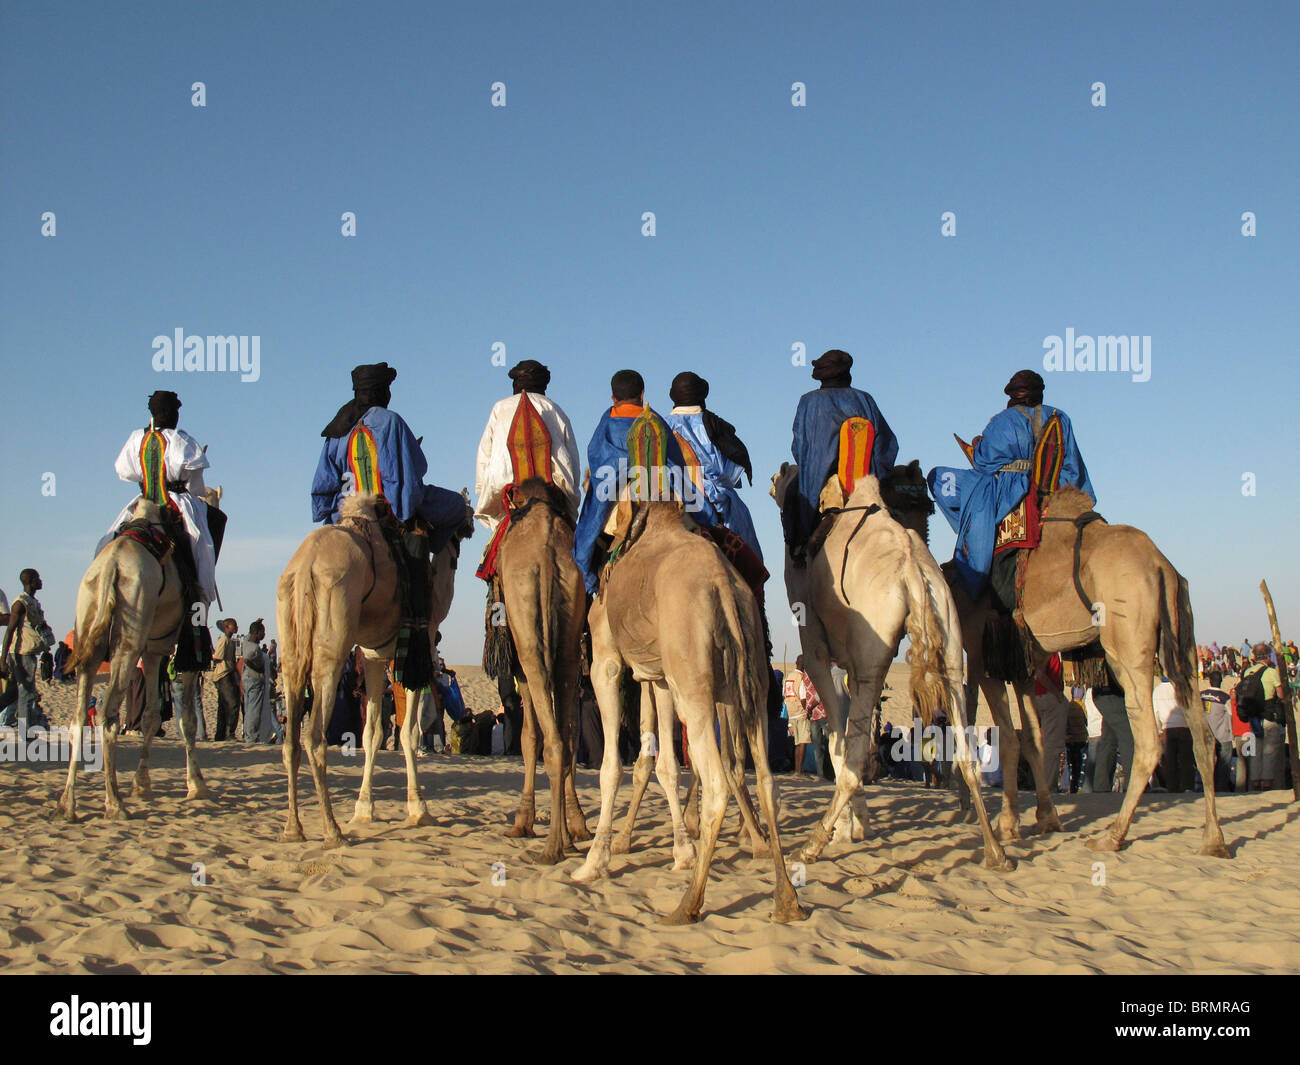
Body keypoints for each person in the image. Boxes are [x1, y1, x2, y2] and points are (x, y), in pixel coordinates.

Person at [928, 370, 1093, 608]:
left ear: (1013, 396)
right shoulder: (1060, 417)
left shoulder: (1003, 420)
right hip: (1057, 488)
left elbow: (983, 463)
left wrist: (977, 445)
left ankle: (972, 547)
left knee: (939, 478)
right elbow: (1073, 465)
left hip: (1011, 489)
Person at [99, 391, 219, 670]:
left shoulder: (136, 439)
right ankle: (197, 614)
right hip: (175, 502)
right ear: (174, 414)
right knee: (202, 549)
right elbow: (197, 487)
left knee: (106, 543)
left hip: (142, 502)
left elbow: (124, 471)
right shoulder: (182, 440)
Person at [572, 369, 698, 595]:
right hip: (661, 487)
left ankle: (587, 584)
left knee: (585, 536)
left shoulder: (607, 421)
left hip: (615, 488)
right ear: (642, 394)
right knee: (704, 521)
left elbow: (598, 459)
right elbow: (676, 463)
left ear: (613, 399)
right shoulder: (656, 419)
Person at [784, 349, 898, 563]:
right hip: (866, 479)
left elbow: (799, 447)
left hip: (823, 480)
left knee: (792, 494)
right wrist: (879, 474)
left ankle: (798, 548)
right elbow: (886, 443)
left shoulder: (809, 401)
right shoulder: (865, 399)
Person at [474, 359, 582, 535]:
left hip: (508, 498)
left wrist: (483, 489)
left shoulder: (499, 408)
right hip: (553, 497)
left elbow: (484, 459)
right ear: (543, 385)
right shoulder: (555, 409)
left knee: (491, 557)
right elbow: (573, 464)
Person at [662, 370, 762, 560]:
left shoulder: (662, 426)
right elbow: (730, 475)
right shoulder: (715, 425)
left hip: (676, 501)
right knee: (750, 563)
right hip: (718, 503)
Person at [0, 569, 57, 730]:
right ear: (31, 581)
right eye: (37, 578)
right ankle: (26, 733)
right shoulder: (20, 604)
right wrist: (3, 660)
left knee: (12, 694)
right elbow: (10, 630)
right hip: (21, 654)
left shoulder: (31, 602)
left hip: (27, 653)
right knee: (27, 693)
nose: (41, 581)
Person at [1237, 643, 1285, 790]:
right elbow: (1280, 694)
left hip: (1254, 718)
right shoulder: (1271, 672)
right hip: (1269, 715)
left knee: (1256, 751)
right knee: (1269, 752)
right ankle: (1266, 782)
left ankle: (1256, 781)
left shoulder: (1248, 672)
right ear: (1268, 656)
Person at [1088, 676, 1133, 794]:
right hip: (1112, 693)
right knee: (1127, 736)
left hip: (1102, 693)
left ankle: (1101, 785)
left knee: (1108, 740)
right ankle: (1134, 783)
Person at [1153, 677, 1195, 792]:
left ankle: (1172, 788)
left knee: (1169, 762)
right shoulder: (1182, 688)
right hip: (1184, 727)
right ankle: (1187, 787)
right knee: (1186, 760)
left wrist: (1158, 729)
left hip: (1167, 729)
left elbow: (1155, 711)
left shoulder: (1157, 691)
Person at [1200, 669, 1235, 792]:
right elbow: (1231, 714)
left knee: (1207, 763)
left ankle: (1207, 787)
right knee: (1224, 763)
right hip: (1222, 734)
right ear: (1221, 681)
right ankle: (1221, 788)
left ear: (1209, 681)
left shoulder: (1201, 695)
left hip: (1205, 734)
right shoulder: (1225, 697)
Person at [209, 617, 241, 741]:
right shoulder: (224, 641)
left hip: (227, 674)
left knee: (223, 706)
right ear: (227, 627)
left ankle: (220, 734)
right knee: (232, 704)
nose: (236, 628)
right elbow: (218, 657)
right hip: (223, 675)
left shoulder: (229, 641)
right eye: (234, 625)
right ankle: (229, 733)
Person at [241, 619, 272, 743]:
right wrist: (260, 670)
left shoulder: (246, 643)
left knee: (248, 708)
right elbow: (248, 661)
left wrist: (255, 622)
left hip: (246, 680)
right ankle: (251, 736)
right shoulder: (254, 649)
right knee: (254, 711)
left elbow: (249, 635)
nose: (264, 635)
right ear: (257, 633)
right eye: (262, 632)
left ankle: (249, 735)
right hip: (254, 680)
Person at [782, 656, 812, 776]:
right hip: (800, 712)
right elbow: (803, 697)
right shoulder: (801, 678)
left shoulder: (788, 678)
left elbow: (786, 696)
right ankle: (799, 770)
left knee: (797, 743)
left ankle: (796, 769)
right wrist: (807, 710)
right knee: (803, 741)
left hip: (791, 713)